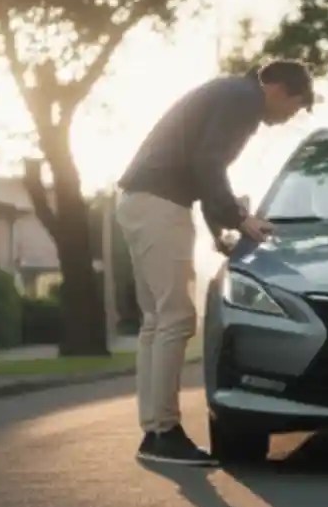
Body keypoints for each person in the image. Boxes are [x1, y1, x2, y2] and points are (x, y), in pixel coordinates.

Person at [115, 61, 314, 465]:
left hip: (142, 201)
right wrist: (242, 220)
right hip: (159, 204)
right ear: (277, 88)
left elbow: (201, 167)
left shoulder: (229, 93)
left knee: (157, 321)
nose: (288, 117)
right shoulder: (244, 99)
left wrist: (221, 229)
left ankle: (155, 431)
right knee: (175, 319)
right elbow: (208, 164)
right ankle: (163, 433)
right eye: (294, 107)